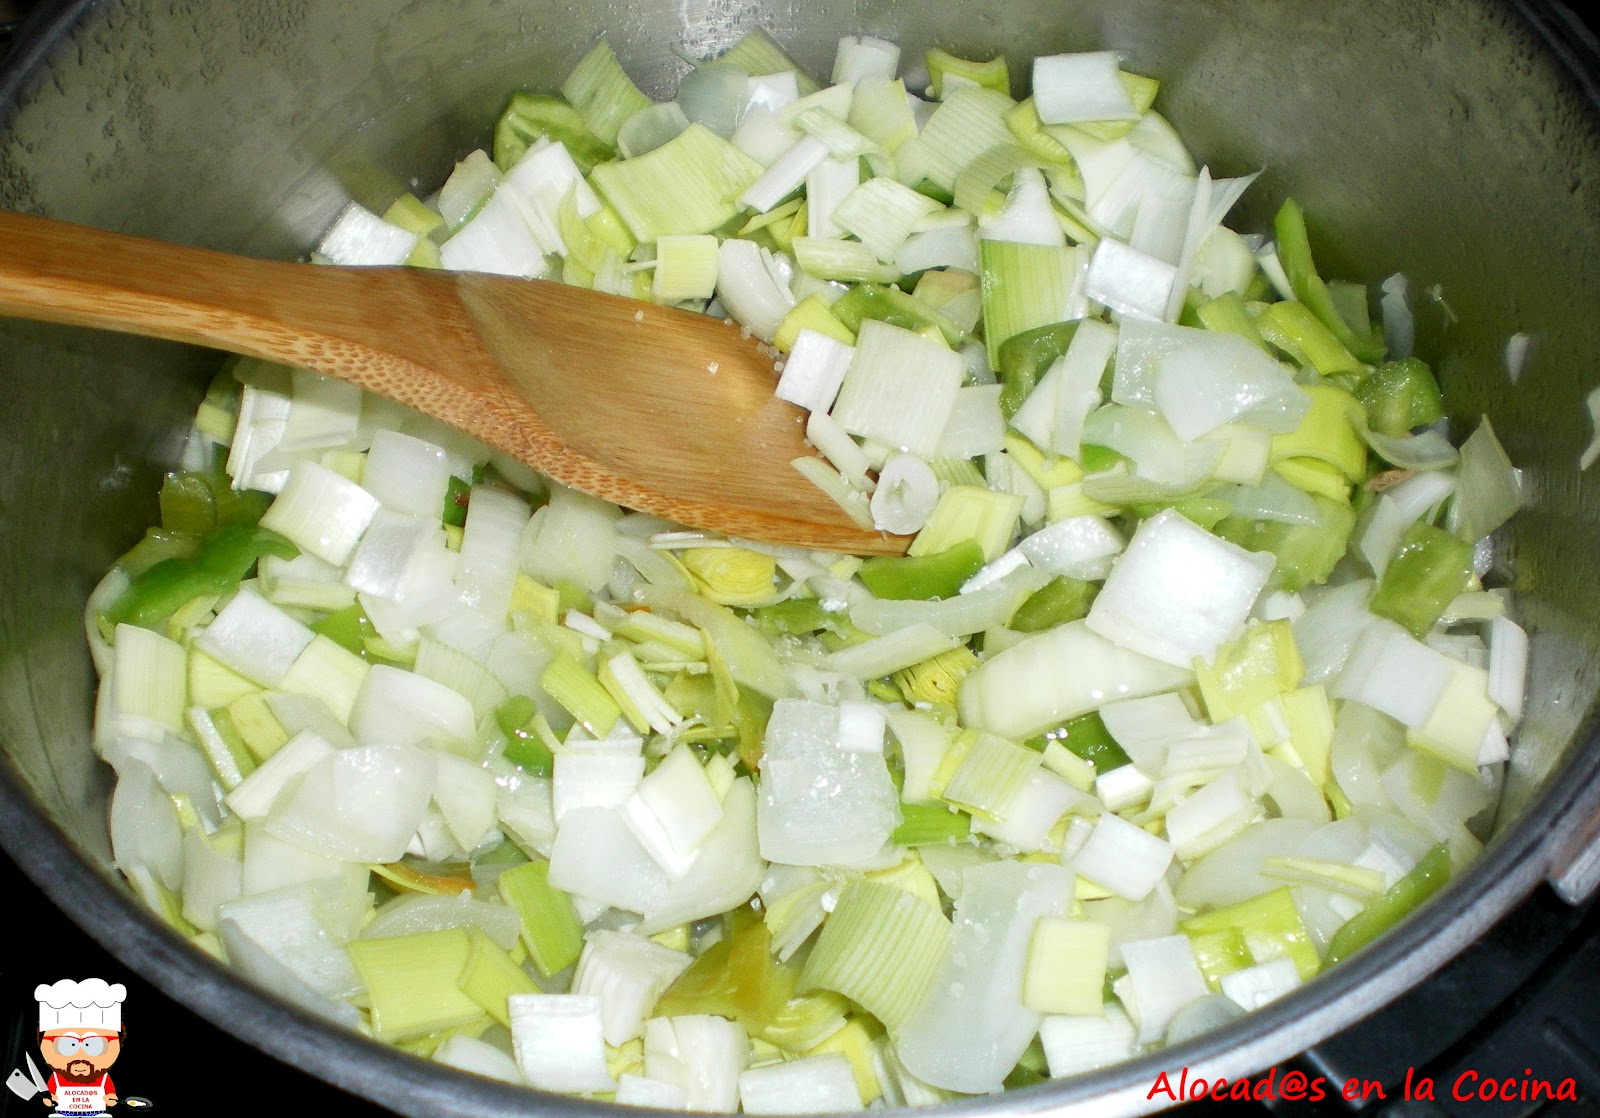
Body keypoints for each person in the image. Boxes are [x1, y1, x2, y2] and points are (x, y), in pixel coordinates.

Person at [34, 979, 126, 1117]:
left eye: (94, 1045)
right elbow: (50, 1096)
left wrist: (110, 1100)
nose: (81, 1056)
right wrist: (49, 1100)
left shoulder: (103, 1079)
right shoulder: (57, 1078)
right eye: (66, 1045)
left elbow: (110, 1097)